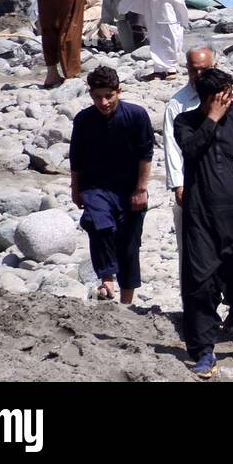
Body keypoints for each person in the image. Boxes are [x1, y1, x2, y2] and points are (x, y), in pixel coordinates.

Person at [173, 67, 233, 376]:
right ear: (212, 98)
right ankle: (203, 349)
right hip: (202, 219)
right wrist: (212, 119)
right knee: (199, 285)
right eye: (227, 94)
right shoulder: (185, 123)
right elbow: (190, 151)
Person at [70, 66, 153, 304]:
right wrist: (75, 190)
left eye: (109, 96)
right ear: (90, 95)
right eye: (97, 97)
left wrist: (140, 189)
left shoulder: (136, 116)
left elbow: (145, 155)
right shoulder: (84, 120)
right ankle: (107, 277)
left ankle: (126, 304)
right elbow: (76, 158)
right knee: (98, 223)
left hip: (129, 188)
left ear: (119, 91)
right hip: (96, 186)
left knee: (129, 246)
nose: (103, 102)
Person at [162, 44, 215, 260]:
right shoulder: (178, 104)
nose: (198, 75)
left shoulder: (230, 97)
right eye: (194, 70)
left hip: (224, 186)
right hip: (192, 185)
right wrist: (178, 184)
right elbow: (171, 146)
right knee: (191, 252)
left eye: (204, 69)